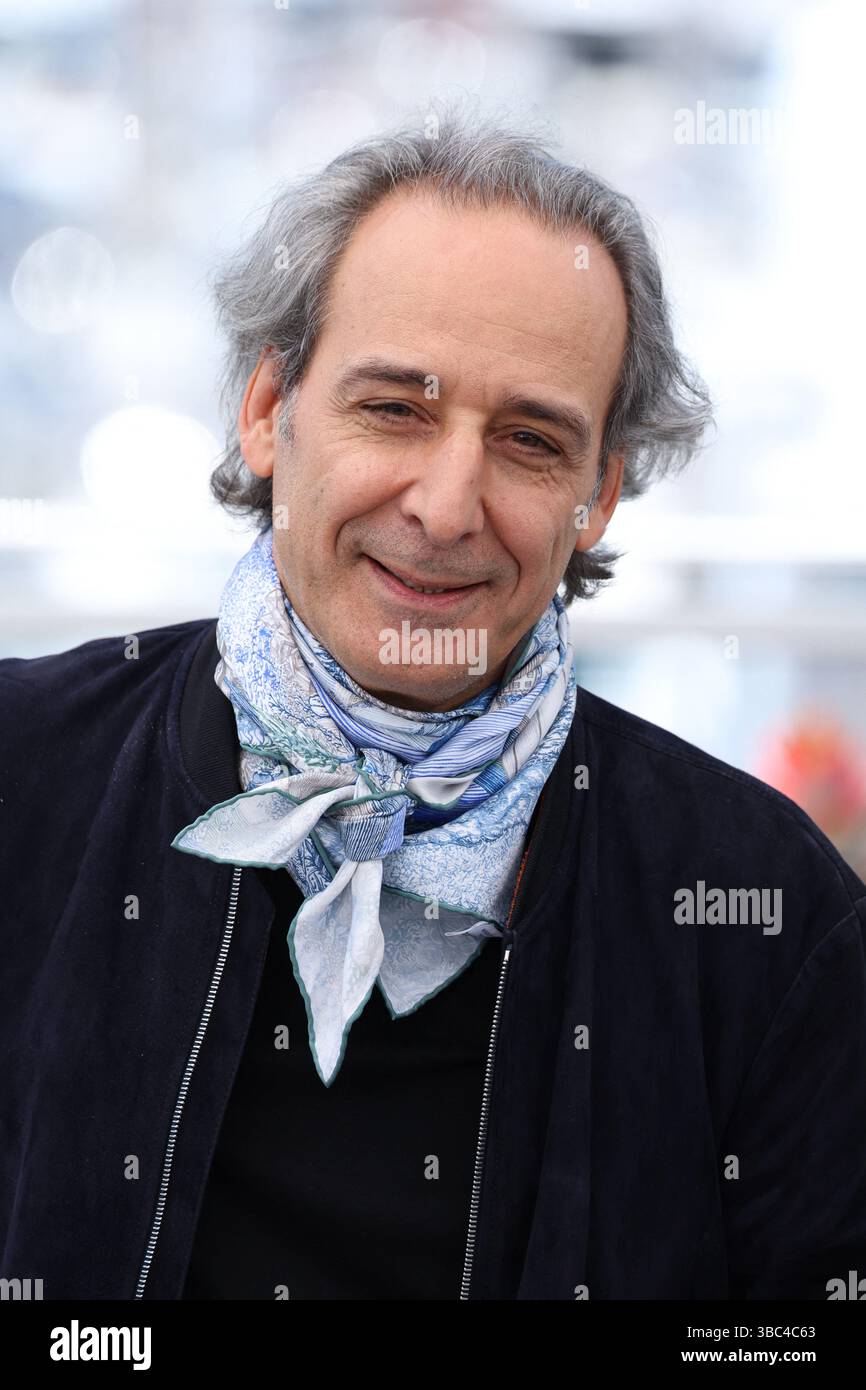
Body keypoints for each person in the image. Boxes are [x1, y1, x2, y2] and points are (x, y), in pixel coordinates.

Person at [2, 109, 865, 1303]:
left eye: (527, 441)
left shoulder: (764, 916)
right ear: (266, 412)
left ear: (596, 498)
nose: (448, 505)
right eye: (395, 409)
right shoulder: (25, 774)